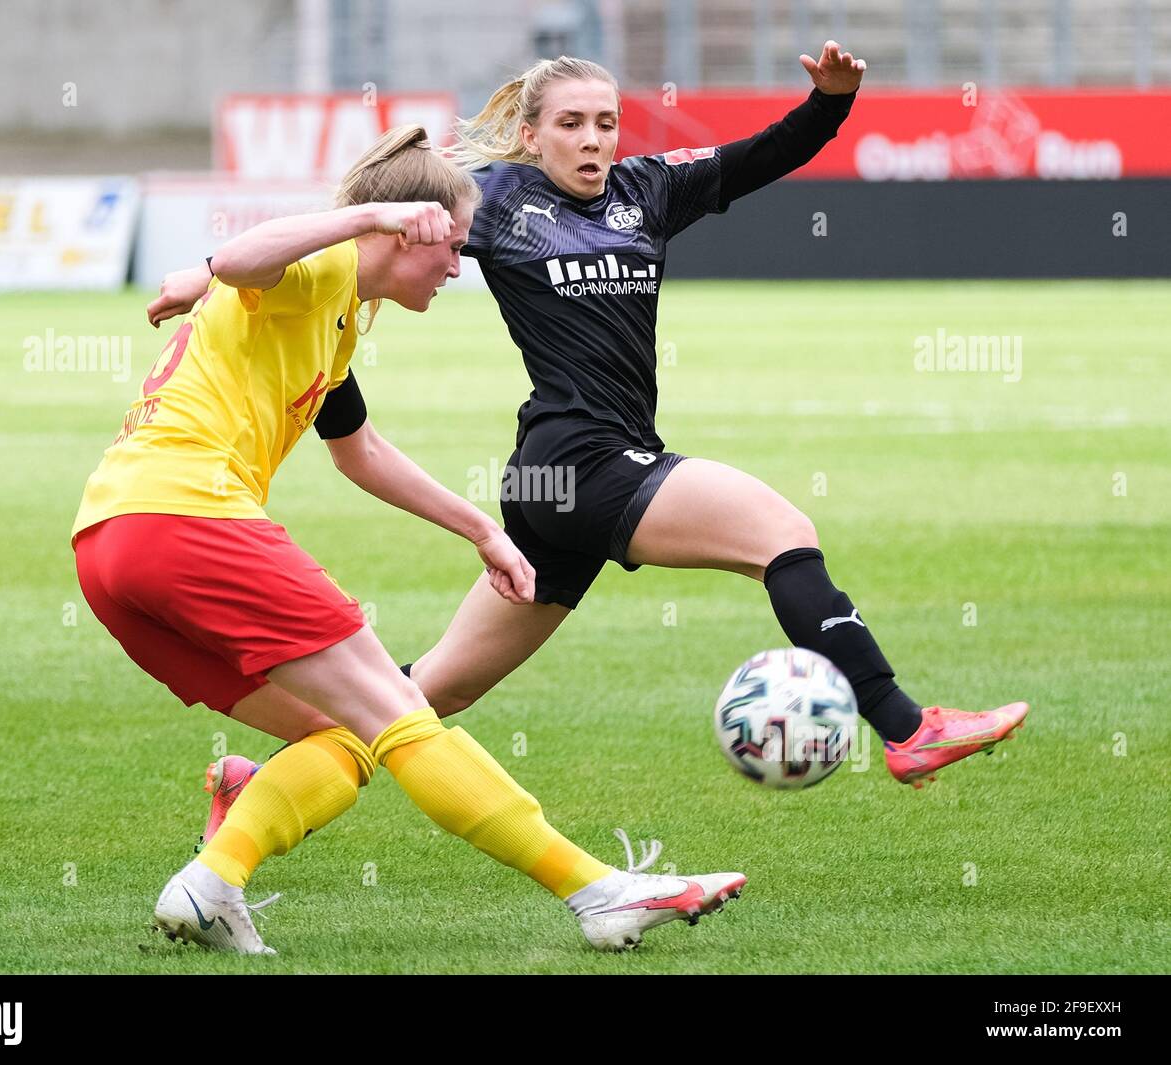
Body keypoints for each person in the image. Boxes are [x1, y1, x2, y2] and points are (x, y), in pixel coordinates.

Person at [150, 42, 1027, 844]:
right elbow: (359, 214)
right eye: (570, 123)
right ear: (530, 135)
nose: (592, 138)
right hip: (576, 461)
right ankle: (907, 726)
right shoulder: (495, 199)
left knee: (430, 693)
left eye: (605, 122)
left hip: (565, 484)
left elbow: (763, 158)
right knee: (781, 532)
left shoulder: (648, 190)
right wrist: (205, 275)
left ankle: (256, 784)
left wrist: (831, 103)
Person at [74, 126, 745, 955]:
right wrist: (375, 213)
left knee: (340, 730)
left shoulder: (337, 318)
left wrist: (482, 531)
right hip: (189, 517)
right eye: (452, 246)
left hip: (109, 547)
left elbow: (363, 453)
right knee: (402, 714)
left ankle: (211, 883)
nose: (458, 267)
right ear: (402, 232)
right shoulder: (318, 272)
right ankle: (597, 892)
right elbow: (242, 259)